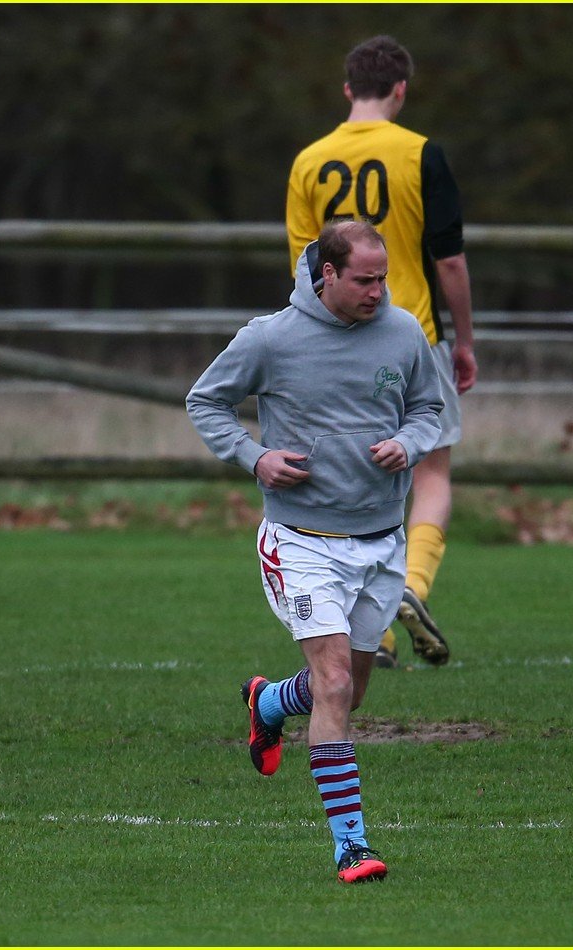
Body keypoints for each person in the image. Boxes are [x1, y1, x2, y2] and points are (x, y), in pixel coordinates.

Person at [186, 220, 444, 884]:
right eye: (364, 279)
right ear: (326, 274)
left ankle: (268, 705)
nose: (377, 290)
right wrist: (254, 456)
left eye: (383, 277)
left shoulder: (404, 332)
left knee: (349, 689)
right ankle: (352, 846)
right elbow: (206, 400)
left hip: (380, 544)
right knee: (332, 684)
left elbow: (429, 412)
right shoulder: (271, 337)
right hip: (300, 542)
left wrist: (409, 445)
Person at [286, 34, 476, 670]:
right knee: (431, 474)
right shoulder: (421, 153)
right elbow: (447, 259)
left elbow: (302, 265)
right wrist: (465, 338)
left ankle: (373, 628)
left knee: (351, 479)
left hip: (329, 346)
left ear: (347, 90)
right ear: (401, 89)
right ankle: (410, 590)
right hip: (413, 335)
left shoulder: (309, 161)